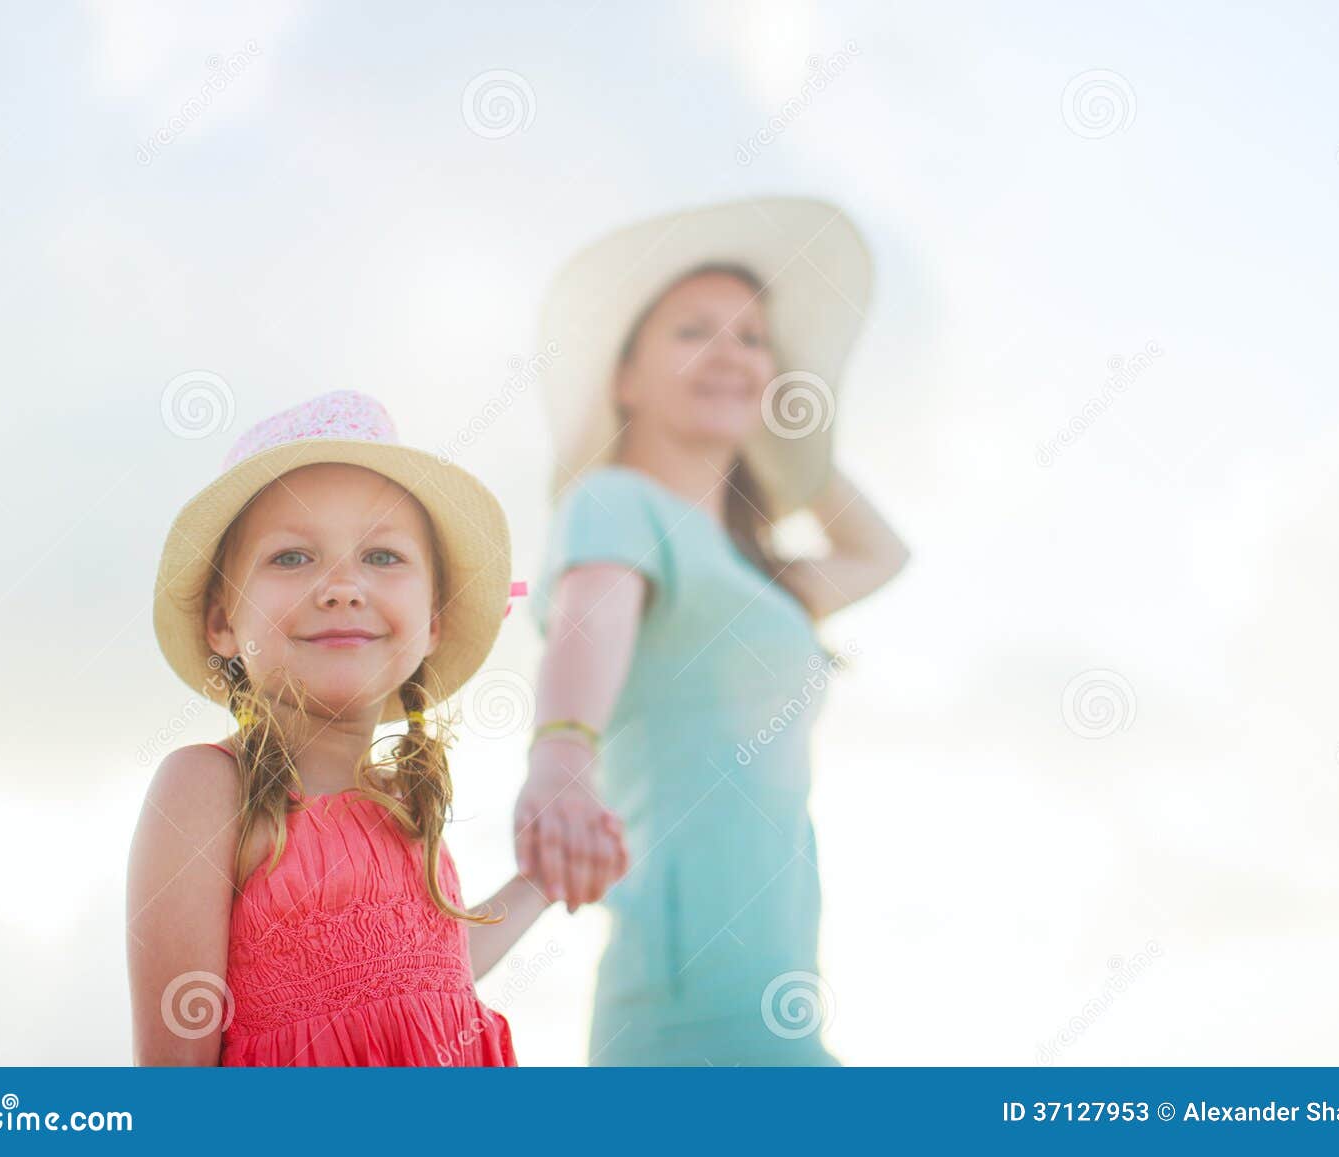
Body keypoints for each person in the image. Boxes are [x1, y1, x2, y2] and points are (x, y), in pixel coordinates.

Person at [517, 198, 909, 1065]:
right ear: (623, 379)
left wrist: (790, 429)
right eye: (694, 332)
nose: (731, 352)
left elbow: (883, 553)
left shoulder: (761, 577)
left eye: (753, 339)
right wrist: (561, 754)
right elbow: (592, 619)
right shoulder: (613, 502)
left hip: (783, 1004)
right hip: (683, 1008)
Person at [129, 389, 591, 1065]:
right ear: (222, 620)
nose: (343, 585)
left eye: (382, 557)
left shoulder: (406, 803)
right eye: (291, 556)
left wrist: (540, 885)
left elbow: (437, 974)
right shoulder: (206, 789)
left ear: (433, 617)